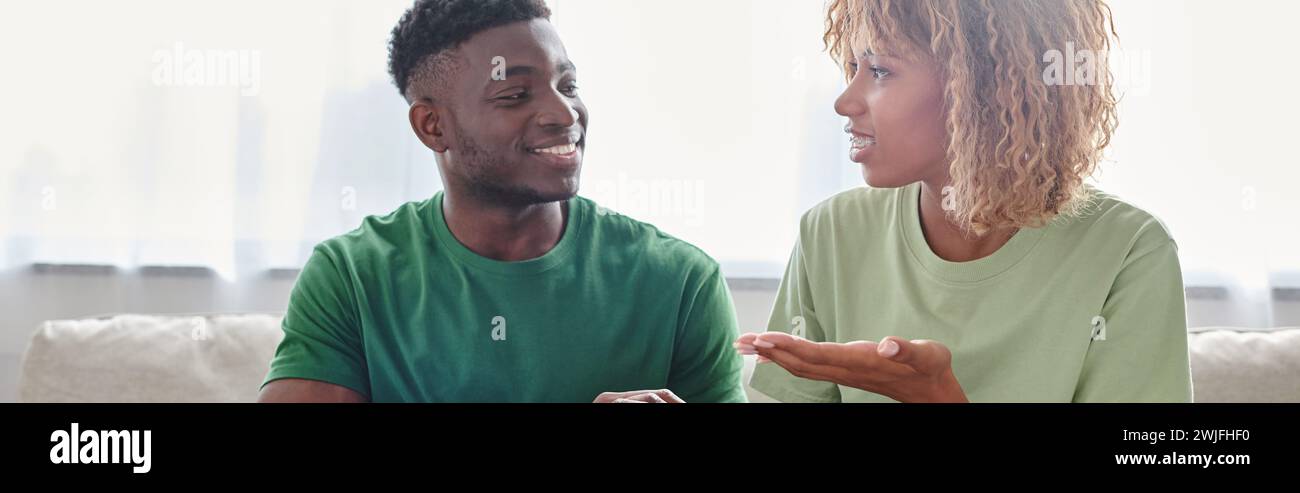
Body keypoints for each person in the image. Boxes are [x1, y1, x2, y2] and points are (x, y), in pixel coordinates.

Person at [258, 0, 745, 403]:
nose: (563, 113)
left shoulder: (681, 281)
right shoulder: (352, 275)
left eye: (568, 85)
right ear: (433, 126)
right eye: (515, 95)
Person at [739, 0, 1193, 403]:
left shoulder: (1128, 249)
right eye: (852, 67)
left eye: (879, 71)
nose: (844, 102)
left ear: (981, 84)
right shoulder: (830, 233)